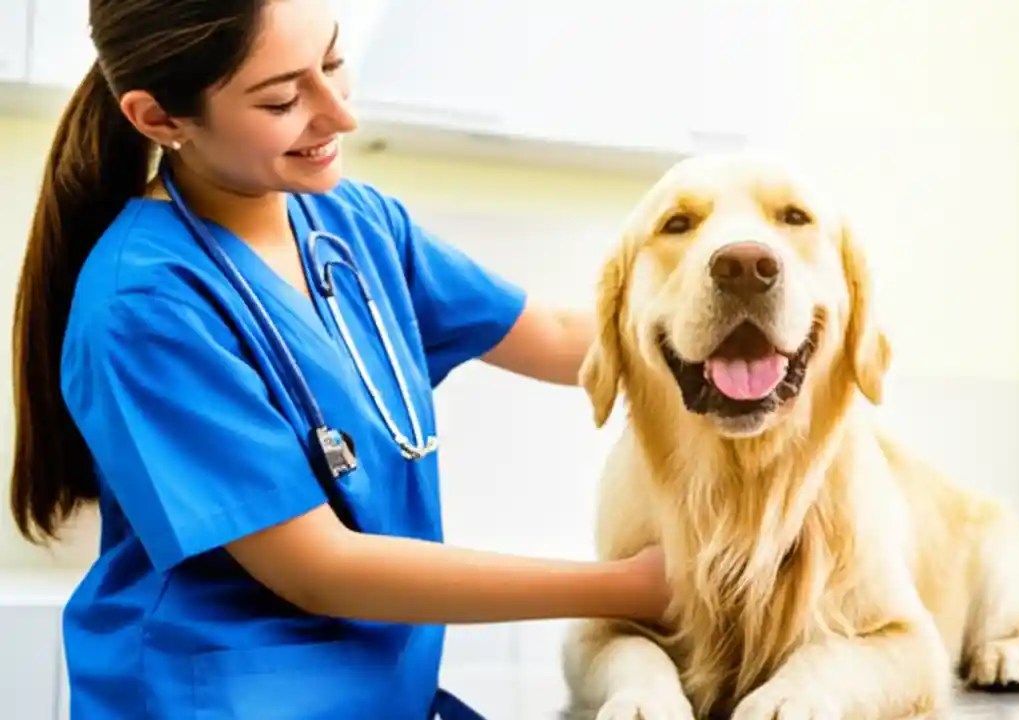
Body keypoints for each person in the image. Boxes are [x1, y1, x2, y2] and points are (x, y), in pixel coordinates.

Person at [7, 1, 671, 718]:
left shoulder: (357, 226)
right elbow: (320, 569)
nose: (340, 116)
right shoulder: (146, 303)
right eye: (285, 99)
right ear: (160, 119)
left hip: (384, 698)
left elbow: (560, 336)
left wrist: (753, 351)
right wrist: (636, 587)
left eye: (331, 62)